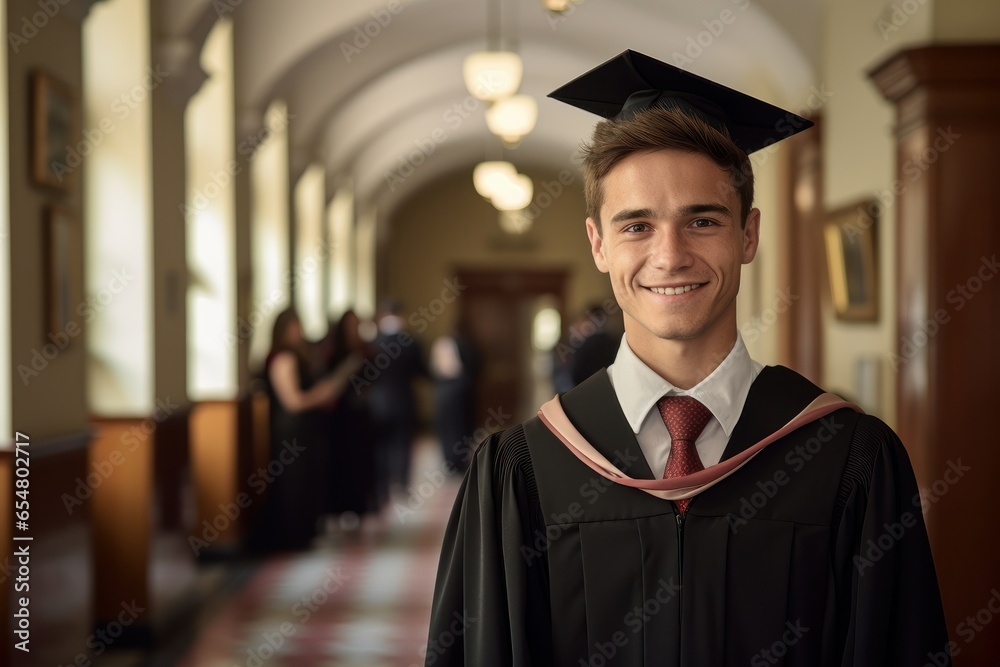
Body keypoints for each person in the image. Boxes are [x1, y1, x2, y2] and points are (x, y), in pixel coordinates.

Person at [426, 50, 950, 665]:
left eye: (702, 220)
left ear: (748, 234)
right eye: (637, 226)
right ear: (598, 244)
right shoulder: (520, 471)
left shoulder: (848, 460)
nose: (670, 256)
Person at [252, 308, 360, 552]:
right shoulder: (283, 358)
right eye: (294, 327)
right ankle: (293, 536)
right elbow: (293, 401)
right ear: (283, 330)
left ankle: (305, 531)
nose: (298, 332)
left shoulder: (298, 356)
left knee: (308, 481)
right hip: (290, 431)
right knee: (293, 483)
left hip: (305, 429)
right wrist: (322, 394)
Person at [368, 299, 427, 505]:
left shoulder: (372, 342)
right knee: (402, 444)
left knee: (380, 447)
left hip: (378, 402)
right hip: (404, 400)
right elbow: (422, 372)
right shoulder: (411, 342)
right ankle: (401, 486)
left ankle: (382, 489)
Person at [429, 319, 480, 474]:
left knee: (449, 427)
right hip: (460, 391)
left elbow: (432, 370)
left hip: (445, 392)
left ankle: (450, 462)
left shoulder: (442, 344)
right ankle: (459, 461)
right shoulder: (467, 345)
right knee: (461, 427)